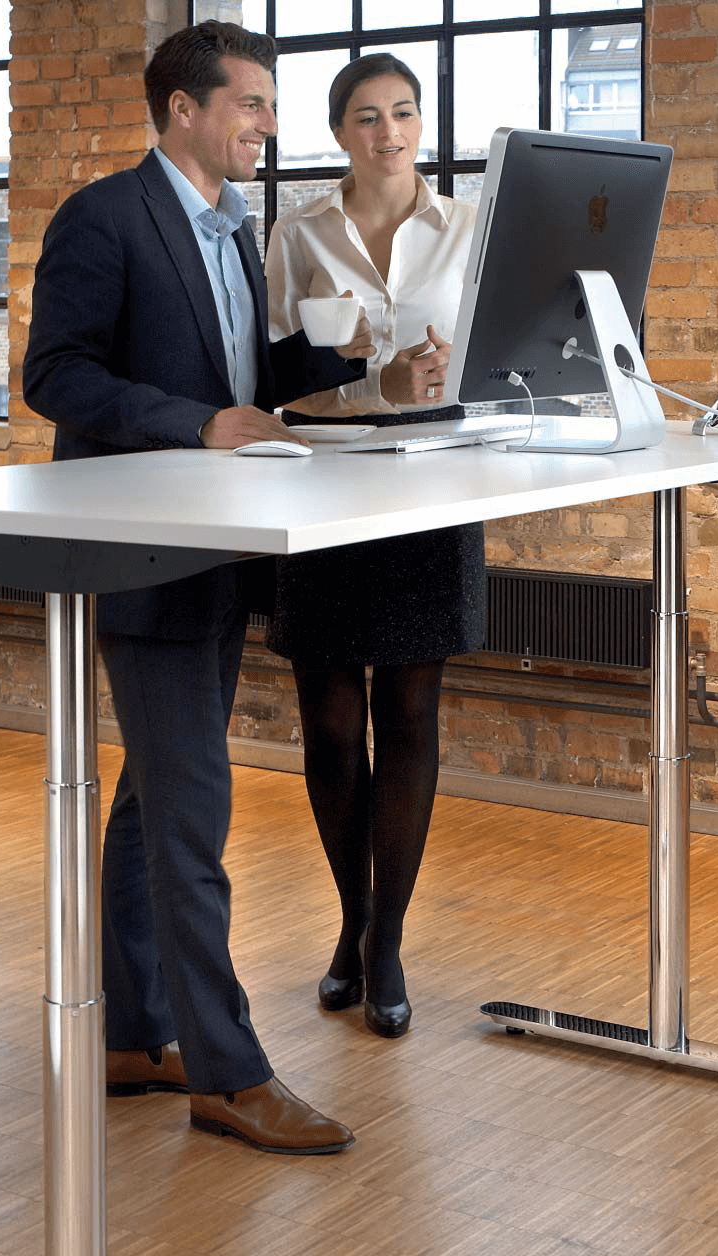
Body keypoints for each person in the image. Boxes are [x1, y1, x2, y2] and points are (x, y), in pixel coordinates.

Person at [22, 21, 372, 1155]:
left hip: (218, 551)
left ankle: (133, 1034)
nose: (269, 123)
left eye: (269, 105)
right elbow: (55, 375)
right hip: (140, 553)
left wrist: (344, 363)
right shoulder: (104, 217)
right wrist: (197, 424)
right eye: (251, 103)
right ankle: (227, 1072)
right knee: (191, 816)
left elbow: (241, 376)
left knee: (155, 799)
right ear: (184, 108)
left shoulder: (234, 230)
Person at [263, 54, 482, 1040]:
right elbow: (274, 375)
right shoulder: (298, 232)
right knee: (325, 720)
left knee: (407, 712)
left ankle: (385, 940)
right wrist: (362, 379)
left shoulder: (469, 228)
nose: (387, 132)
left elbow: (499, 358)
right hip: (322, 483)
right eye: (366, 116)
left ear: (420, 124)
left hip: (433, 482)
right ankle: (350, 918)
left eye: (402, 113)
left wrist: (452, 371)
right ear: (338, 132)